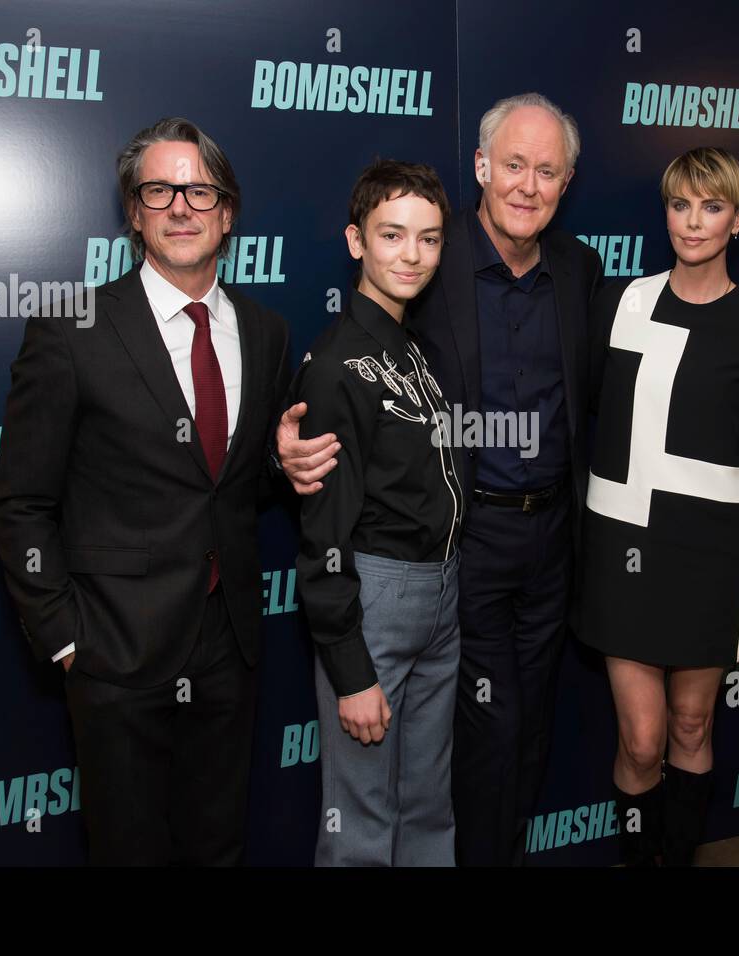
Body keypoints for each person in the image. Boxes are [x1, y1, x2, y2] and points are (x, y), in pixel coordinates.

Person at [278, 92, 604, 866]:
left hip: (549, 538)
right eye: (514, 165)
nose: (529, 185)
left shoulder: (580, 269)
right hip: (458, 543)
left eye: (548, 171)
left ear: (565, 184)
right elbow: (335, 390)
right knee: (458, 749)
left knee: (508, 739)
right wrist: (284, 451)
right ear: (483, 168)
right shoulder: (432, 256)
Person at [0, 117, 293, 865]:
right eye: (159, 190)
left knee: (217, 846)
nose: (180, 206)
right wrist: (66, 639)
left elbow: (232, 490)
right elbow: (20, 504)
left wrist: (283, 466)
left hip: (229, 647)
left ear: (228, 212)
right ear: (133, 211)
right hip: (115, 653)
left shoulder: (266, 332)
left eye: (200, 190)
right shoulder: (72, 325)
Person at [581, 147, 739, 866]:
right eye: (679, 204)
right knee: (641, 740)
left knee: (693, 726)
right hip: (626, 543)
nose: (692, 222)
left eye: (711, 207)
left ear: (738, 220)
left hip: (711, 552)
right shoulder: (621, 302)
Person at [292, 160, 462, 866]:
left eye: (428, 239)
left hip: (440, 594)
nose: (412, 255)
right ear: (356, 241)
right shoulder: (334, 365)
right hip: (374, 604)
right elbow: (323, 535)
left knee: (426, 807)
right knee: (360, 820)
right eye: (392, 235)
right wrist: (351, 669)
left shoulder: (413, 346)